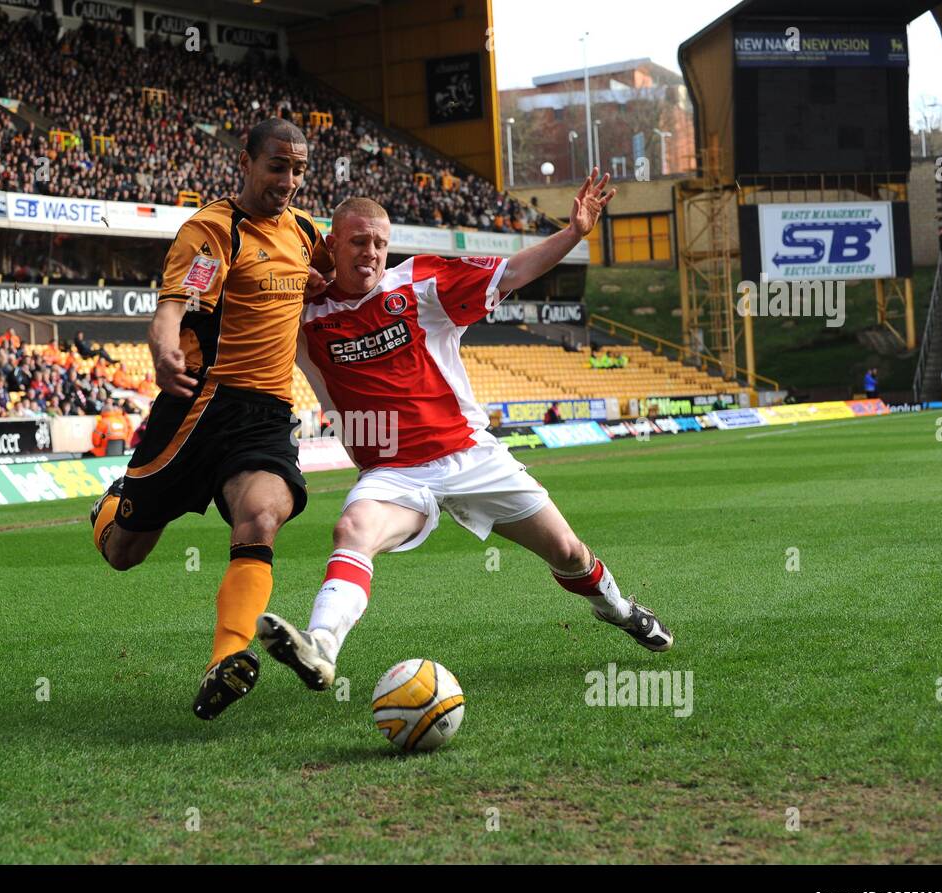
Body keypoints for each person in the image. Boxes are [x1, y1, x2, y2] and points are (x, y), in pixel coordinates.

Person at [256, 171, 672, 695]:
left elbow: (513, 272)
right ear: (331, 244)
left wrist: (572, 234)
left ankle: (619, 610)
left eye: (381, 243)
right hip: (393, 471)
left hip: (470, 454)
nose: (372, 253)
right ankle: (320, 647)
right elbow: (250, 279)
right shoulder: (300, 315)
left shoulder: (419, 283)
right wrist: (299, 273)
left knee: (568, 553)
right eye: (359, 242)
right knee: (352, 530)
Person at [88, 118, 333, 720]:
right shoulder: (212, 231)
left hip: (267, 414)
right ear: (247, 163)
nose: (289, 180)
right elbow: (172, 306)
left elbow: (335, 284)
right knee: (125, 552)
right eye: (278, 166)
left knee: (262, 514)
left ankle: (226, 659)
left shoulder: (306, 233)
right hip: (199, 404)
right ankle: (113, 505)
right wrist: (164, 346)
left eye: (299, 170)